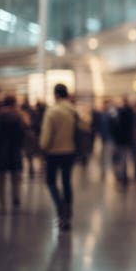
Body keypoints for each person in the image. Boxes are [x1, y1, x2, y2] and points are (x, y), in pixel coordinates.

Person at [40, 84, 77, 231]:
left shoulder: (52, 112)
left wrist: (43, 147)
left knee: (50, 181)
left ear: (55, 94)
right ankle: (67, 213)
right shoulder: (73, 111)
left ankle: (61, 206)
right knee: (67, 181)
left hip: (54, 153)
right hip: (70, 151)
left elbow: (46, 137)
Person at [0, 96, 25, 213]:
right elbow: (21, 134)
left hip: (1, 150)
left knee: (1, 179)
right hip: (14, 150)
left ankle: (2, 204)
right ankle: (16, 197)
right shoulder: (18, 116)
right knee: (15, 176)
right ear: (14, 103)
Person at [113, 96, 136, 185]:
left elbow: (119, 127)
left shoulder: (123, 112)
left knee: (123, 158)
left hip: (124, 139)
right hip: (128, 139)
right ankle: (127, 176)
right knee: (128, 159)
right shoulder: (131, 112)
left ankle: (124, 176)